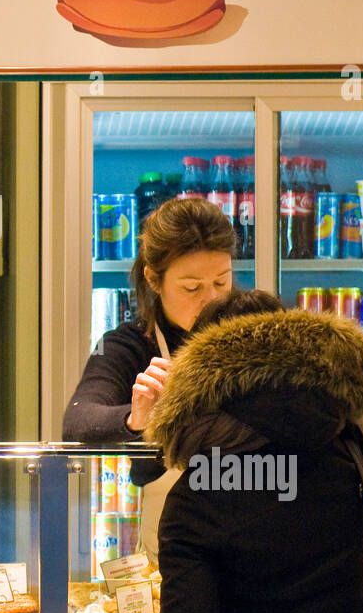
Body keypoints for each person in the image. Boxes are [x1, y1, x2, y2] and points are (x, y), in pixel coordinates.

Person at [145, 290, 363, 613]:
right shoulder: (356, 445)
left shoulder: (196, 495)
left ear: (198, 376)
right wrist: (330, 388)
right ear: (297, 344)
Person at [63, 197, 236, 560]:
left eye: (222, 281)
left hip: (261, 552)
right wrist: (135, 418)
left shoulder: (260, 330)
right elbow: (78, 421)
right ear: (153, 280)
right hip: (172, 562)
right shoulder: (127, 346)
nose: (212, 299)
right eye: (192, 287)